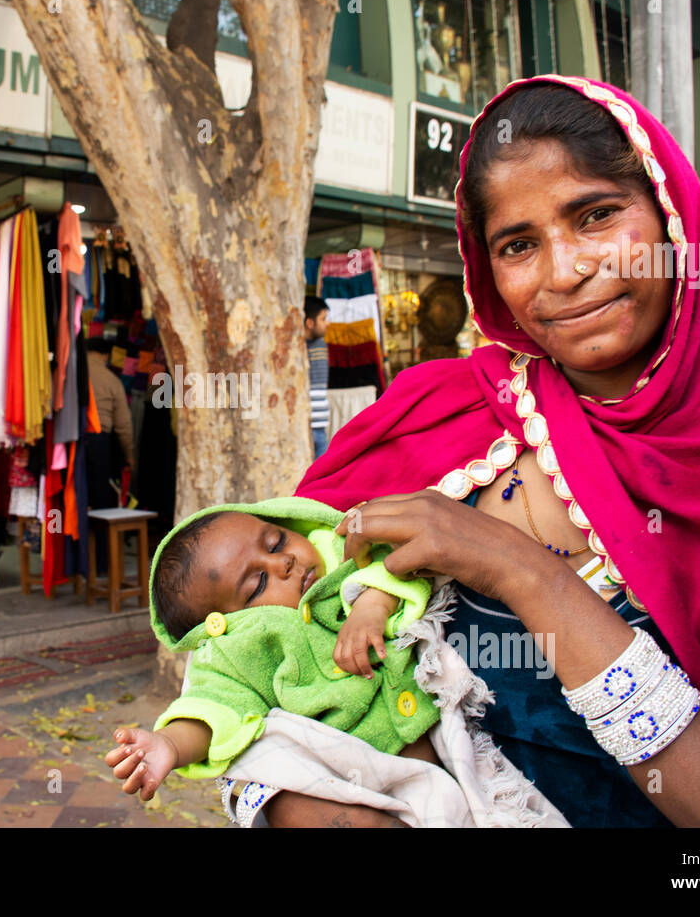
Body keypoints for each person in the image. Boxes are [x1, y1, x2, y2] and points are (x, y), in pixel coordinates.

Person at [219, 75, 700, 828]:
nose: (565, 270)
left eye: (597, 215)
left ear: (670, 214)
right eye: (519, 245)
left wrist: (517, 570)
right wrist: (299, 798)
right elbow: (252, 638)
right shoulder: (442, 407)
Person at [105, 496, 444, 799]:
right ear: (228, 623)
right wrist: (170, 744)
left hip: (440, 719)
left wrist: (373, 602)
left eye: (276, 541)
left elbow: (398, 560)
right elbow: (215, 702)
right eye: (259, 583)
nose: (283, 563)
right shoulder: (244, 646)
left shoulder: (342, 548)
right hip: (359, 774)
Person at [83, 337, 135, 509]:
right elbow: (123, 425)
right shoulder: (111, 380)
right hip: (98, 441)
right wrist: (129, 455)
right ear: (106, 356)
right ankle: (101, 536)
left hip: (68, 440)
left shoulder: (69, 372)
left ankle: (72, 535)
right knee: (100, 497)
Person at [305, 296, 330, 458]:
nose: (327, 323)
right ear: (310, 323)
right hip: (306, 426)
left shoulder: (321, 344)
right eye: (323, 319)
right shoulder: (298, 346)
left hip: (321, 427)